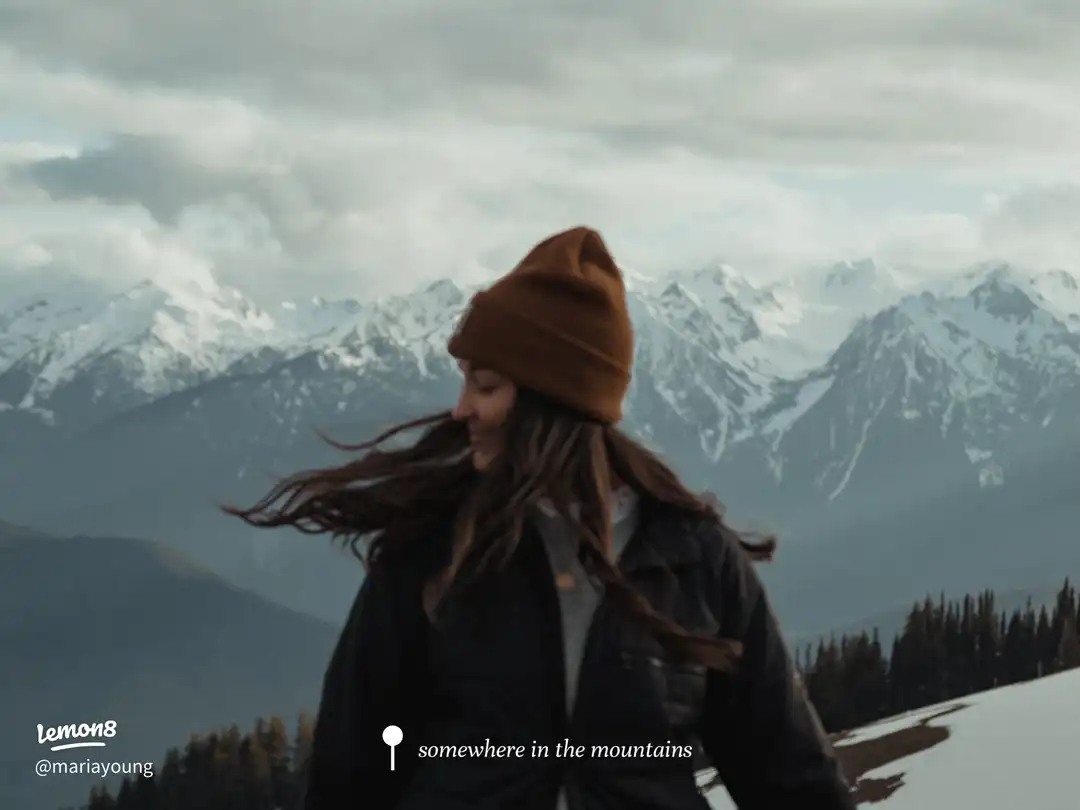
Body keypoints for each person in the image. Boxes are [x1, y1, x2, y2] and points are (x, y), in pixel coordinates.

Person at [226, 227, 856, 810]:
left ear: (552, 403)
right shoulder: (432, 550)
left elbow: (790, 777)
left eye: (486, 385)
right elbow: (353, 768)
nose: (460, 409)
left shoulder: (695, 559)